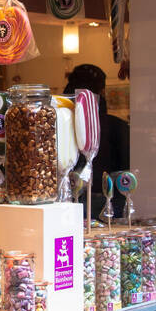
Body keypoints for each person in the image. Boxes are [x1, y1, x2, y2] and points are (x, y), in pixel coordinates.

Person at [63, 63, 130, 218]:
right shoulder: (115, 125)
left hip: (74, 197)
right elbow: (125, 165)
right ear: (101, 90)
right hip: (107, 197)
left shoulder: (61, 119)